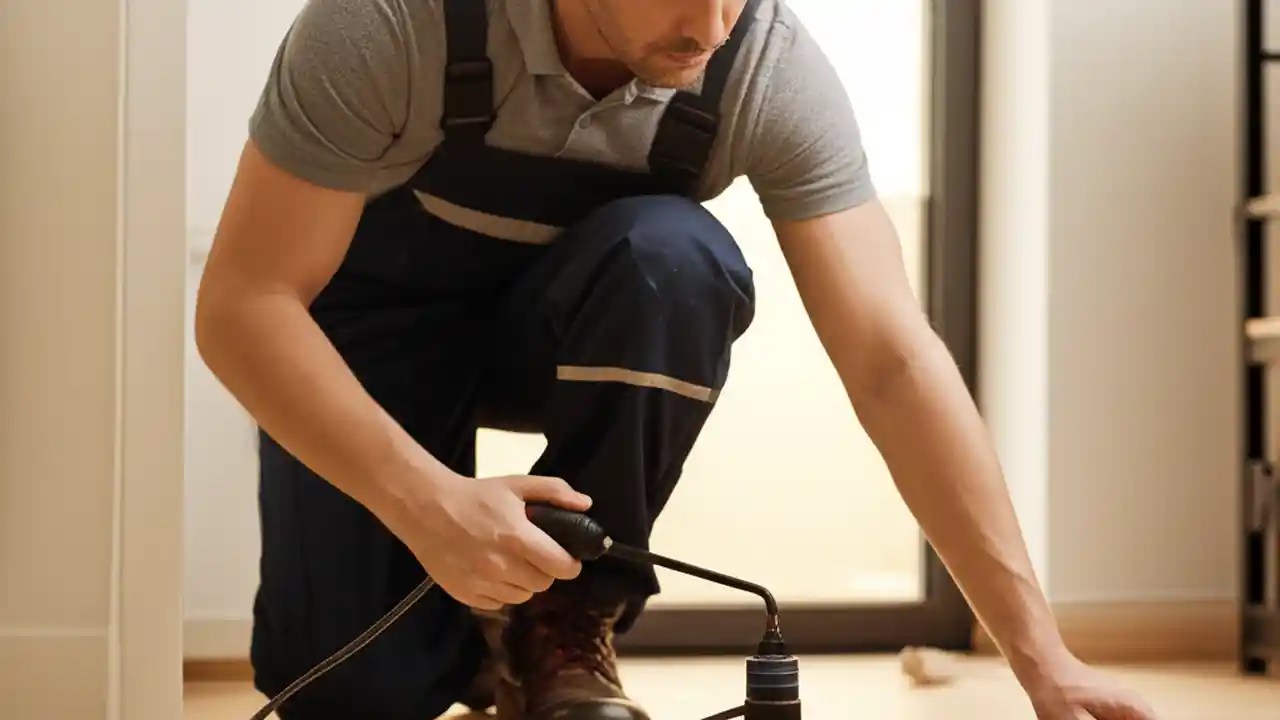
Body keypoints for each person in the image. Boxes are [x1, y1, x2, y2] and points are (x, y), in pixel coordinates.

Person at [194, 1, 1160, 719]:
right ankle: (448, 634)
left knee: (677, 255)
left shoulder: (765, 65)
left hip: (574, 333)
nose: (709, 24)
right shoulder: (390, 24)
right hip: (377, 345)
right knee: (352, 689)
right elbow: (245, 303)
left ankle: (560, 621)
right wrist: (422, 503)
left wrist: (1045, 662)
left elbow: (892, 362)